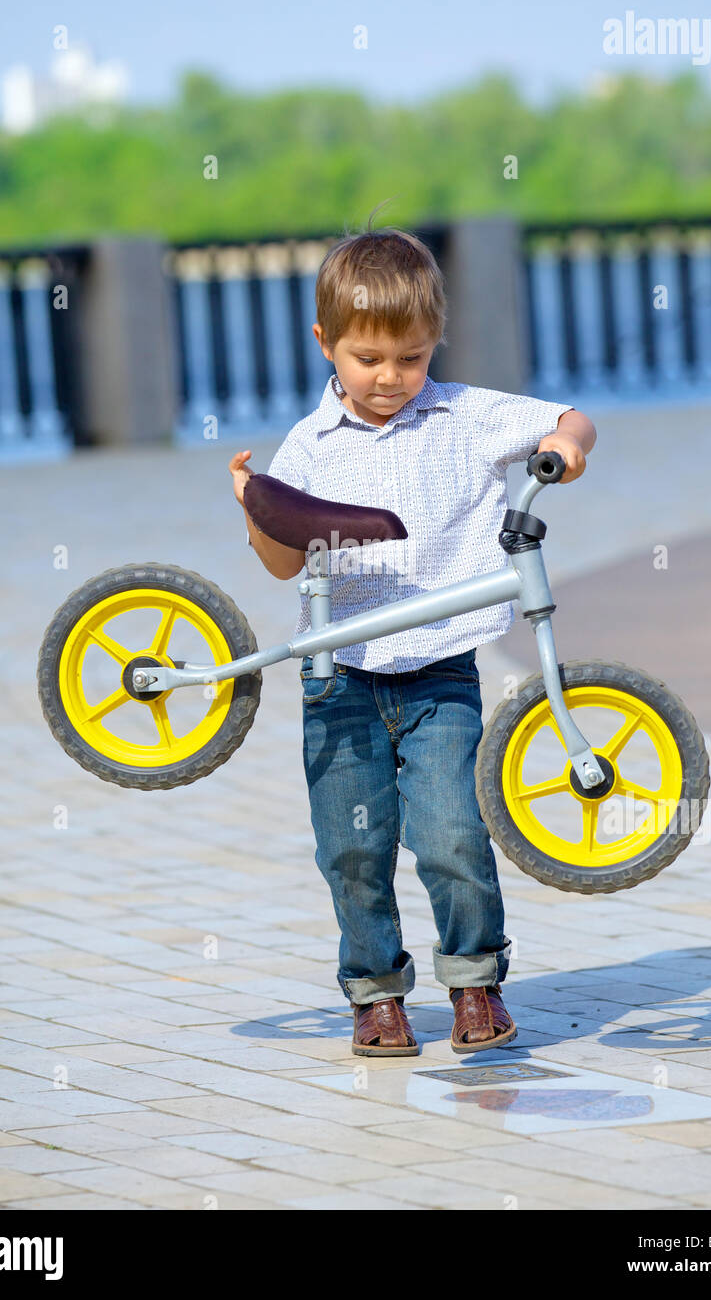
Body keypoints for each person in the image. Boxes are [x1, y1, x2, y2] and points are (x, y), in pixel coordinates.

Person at [229, 221, 596, 1056]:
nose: (392, 379)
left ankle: (474, 984)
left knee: (454, 835)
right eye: (368, 360)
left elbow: (572, 416)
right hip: (341, 678)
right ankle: (375, 996)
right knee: (353, 848)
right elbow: (284, 565)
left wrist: (563, 448)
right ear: (326, 345)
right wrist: (256, 505)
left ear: (436, 344)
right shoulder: (310, 447)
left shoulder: (466, 417)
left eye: (412, 358)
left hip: (439, 675)